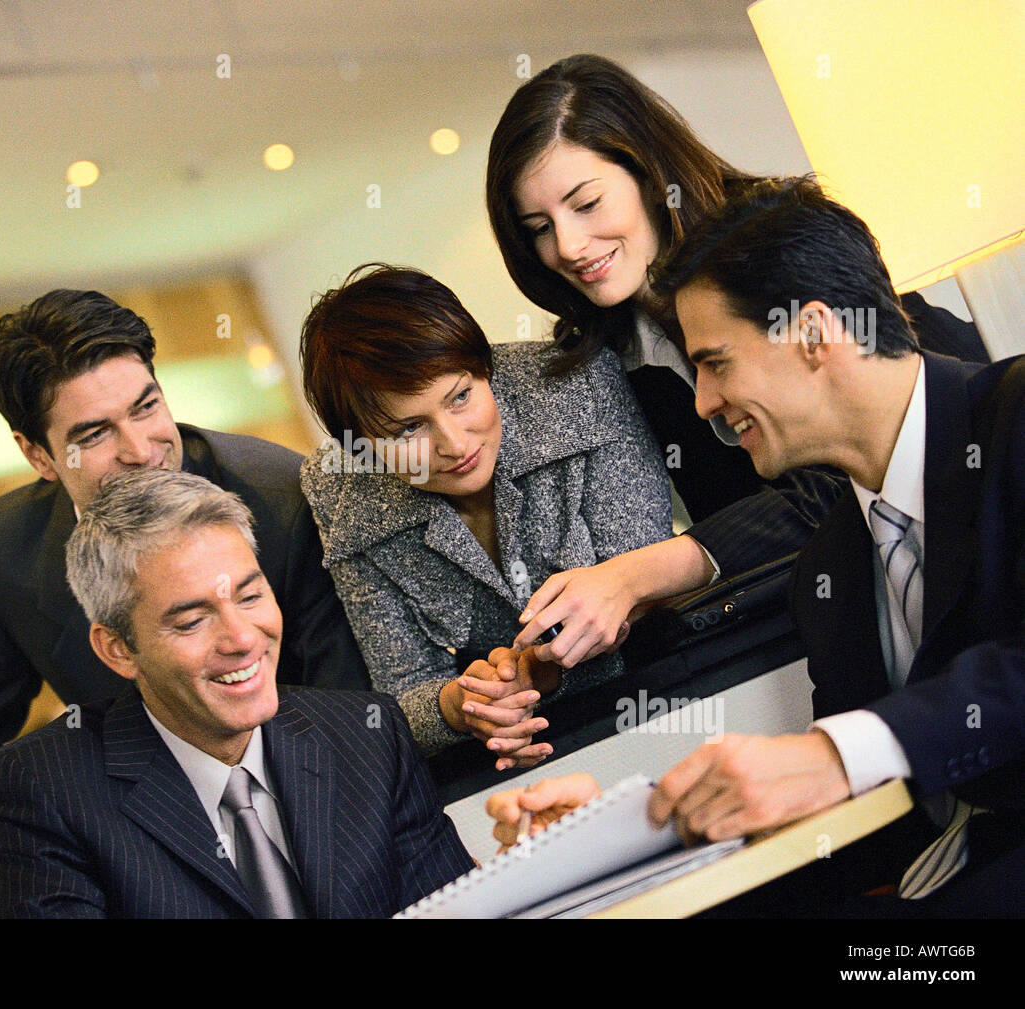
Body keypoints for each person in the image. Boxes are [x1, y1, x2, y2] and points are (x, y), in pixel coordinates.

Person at [487, 178, 1024, 915]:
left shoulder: (1017, 418)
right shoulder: (832, 564)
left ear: (812, 332)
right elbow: (848, 812)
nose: (703, 401)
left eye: (715, 362)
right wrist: (636, 833)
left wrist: (835, 753)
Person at [486, 53, 989, 671]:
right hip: (814, 629)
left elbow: (854, 477)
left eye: (586, 204)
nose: (566, 246)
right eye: (539, 226)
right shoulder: (603, 359)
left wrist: (638, 575)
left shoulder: (780, 245)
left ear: (650, 176)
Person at [0, 288, 370, 914]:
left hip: (318, 812)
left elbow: (347, 705)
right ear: (38, 453)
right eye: (95, 433)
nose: (142, 450)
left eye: (146, 406)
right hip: (141, 848)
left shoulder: (284, 496)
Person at [0, 468, 474, 918]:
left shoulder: (369, 734)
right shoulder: (36, 794)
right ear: (118, 648)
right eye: (192, 621)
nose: (243, 638)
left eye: (251, 596)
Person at [298, 264, 673, 763]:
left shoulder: (572, 382)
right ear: (360, 447)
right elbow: (402, 694)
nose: (454, 445)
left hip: (670, 697)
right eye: (409, 428)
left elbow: (646, 588)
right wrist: (458, 706)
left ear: (483, 367)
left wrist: (539, 671)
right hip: (503, 764)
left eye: (461, 396)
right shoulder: (340, 486)